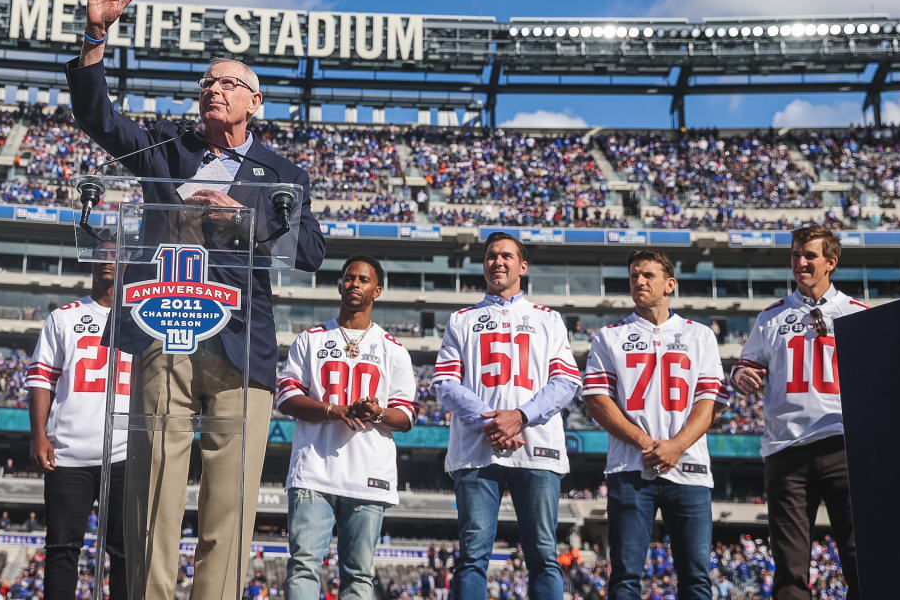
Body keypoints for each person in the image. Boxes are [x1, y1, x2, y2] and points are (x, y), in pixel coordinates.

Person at [65, 0, 326, 600]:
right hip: (164, 331)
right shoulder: (165, 147)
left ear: (255, 102)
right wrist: (95, 38)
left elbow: (314, 251)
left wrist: (246, 218)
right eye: (207, 82)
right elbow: (97, 117)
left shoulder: (280, 172)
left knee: (229, 503)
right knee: (152, 489)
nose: (214, 90)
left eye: (229, 84)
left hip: (242, 348)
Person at [431, 232, 580, 600]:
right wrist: (492, 421)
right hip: (477, 450)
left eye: (507, 256)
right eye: (492, 256)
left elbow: (567, 380)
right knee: (472, 556)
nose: (498, 262)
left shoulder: (549, 319)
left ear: (522, 265)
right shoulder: (461, 320)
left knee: (543, 555)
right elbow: (444, 382)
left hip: (537, 449)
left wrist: (521, 417)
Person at [582, 250, 727, 600]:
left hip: (689, 468)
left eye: (648, 275)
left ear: (670, 284)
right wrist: (644, 441)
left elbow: (711, 403)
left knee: (695, 576)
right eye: (634, 276)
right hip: (630, 466)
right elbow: (598, 401)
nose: (639, 282)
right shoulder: (609, 336)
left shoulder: (700, 335)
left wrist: (676, 445)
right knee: (626, 576)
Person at [732, 225, 866, 600]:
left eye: (809, 255)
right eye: (795, 255)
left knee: (860, 557)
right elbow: (746, 364)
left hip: (844, 446)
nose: (800, 262)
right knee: (790, 568)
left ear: (831, 263)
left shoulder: (858, 314)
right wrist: (743, 374)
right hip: (786, 450)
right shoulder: (771, 317)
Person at [276, 256, 415, 600]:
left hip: (367, 473)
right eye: (349, 278)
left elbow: (407, 416)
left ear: (377, 290)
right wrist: (333, 410)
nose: (354, 284)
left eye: (363, 279)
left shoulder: (393, 349)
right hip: (314, 469)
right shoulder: (310, 339)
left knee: (358, 575)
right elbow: (286, 396)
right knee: (304, 565)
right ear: (340, 285)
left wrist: (378, 413)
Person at [26, 250, 130, 600]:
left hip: (125, 451)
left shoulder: (144, 316)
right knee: (61, 548)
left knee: (125, 552)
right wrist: (39, 434)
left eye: (117, 254)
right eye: (101, 253)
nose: (108, 260)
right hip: (68, 451)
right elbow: (42, 379)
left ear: (129, 263)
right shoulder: (64, 317)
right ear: (89, 262)